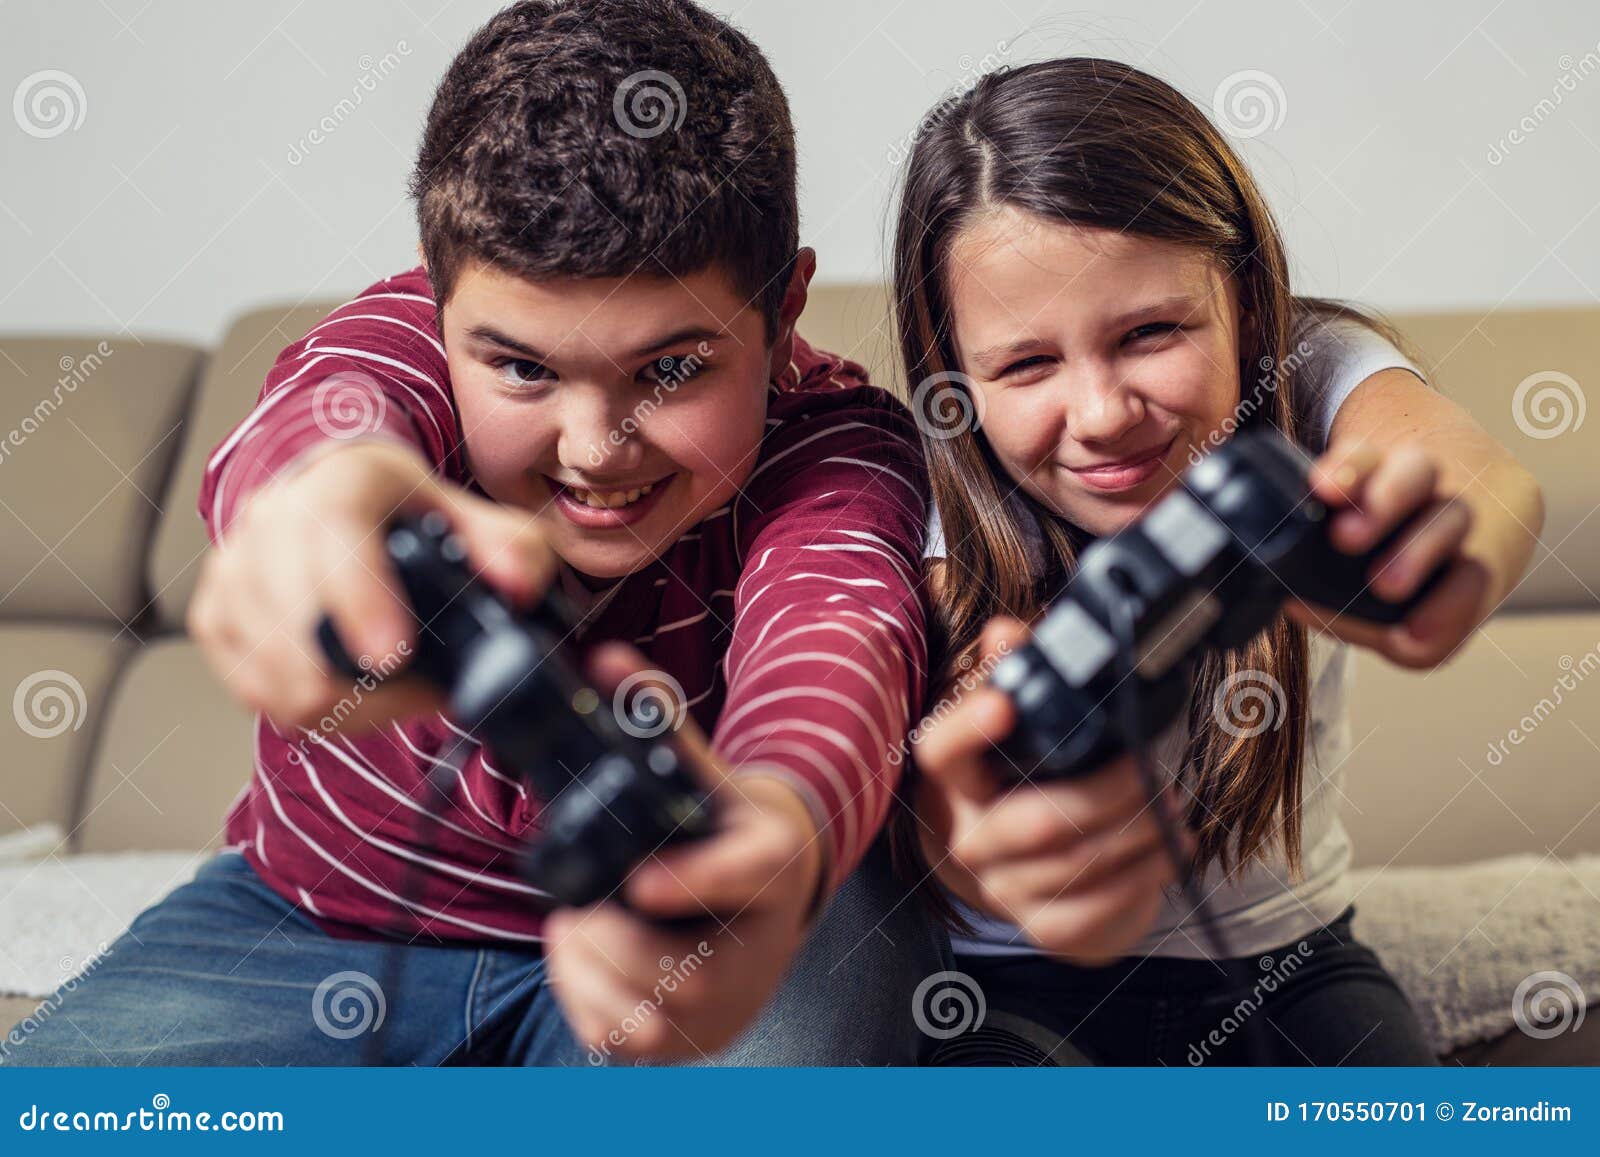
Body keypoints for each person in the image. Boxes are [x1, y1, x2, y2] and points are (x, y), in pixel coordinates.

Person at [3, 0, 946, 1068]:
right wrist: (320, 498)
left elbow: (836, 634)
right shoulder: (397, 341)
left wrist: (776, 825)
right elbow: (323, 427)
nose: (596, 448)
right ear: (435, 298)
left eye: (673, 370)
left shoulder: (838, 443)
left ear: (782, 314)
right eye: (524, 369)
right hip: (311, 916)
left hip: (691, 920)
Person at [893, 57, 1544, 1065]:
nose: (1103, 416)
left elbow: (1480, 476)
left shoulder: (1310, 369)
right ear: (953, 374)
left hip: (1290, 958)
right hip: (998, 984)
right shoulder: (934, 485)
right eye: (1025, 363)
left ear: (1242, 300)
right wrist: (989, 828)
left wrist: (1426, 530)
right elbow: (948, 732)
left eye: (1150, 332)